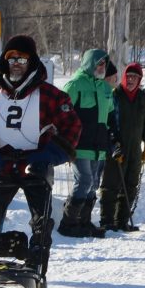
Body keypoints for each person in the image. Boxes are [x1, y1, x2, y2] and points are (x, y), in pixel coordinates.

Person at [0, 33, 81, 281]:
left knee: (42, 219)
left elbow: (72, 127)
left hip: (34, 165)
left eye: (22, 59)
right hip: (1, 164)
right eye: (11, 58)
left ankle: (37, 267)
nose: (16, 63)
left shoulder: (50, 95)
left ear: (32, 62)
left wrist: (46, 158)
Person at [59, 48, 116, 238]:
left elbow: (109, 117)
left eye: (104, 64)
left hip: (99, 145)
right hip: (80, 144)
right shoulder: (74, 85)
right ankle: (68, 223)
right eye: (99, 63)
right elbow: (63, 115)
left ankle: (83, 222)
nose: (102, 67)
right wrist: (65, 142)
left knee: (93, 184)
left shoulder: (105, 88)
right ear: (90, 63)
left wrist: (114, 137)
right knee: (84, 181)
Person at [100, 61, 145, 232]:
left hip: (134, 150)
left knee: (131, 185)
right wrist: (112, 144)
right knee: (111, 185)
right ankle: (107, 220)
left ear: (139, 80)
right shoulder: (114, 96)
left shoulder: (144, 100)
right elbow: (107, 122)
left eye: (135, 77)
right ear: (124, 77)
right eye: (129, 76)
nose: (131, 80)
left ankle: (122, 220)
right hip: (116, 147)